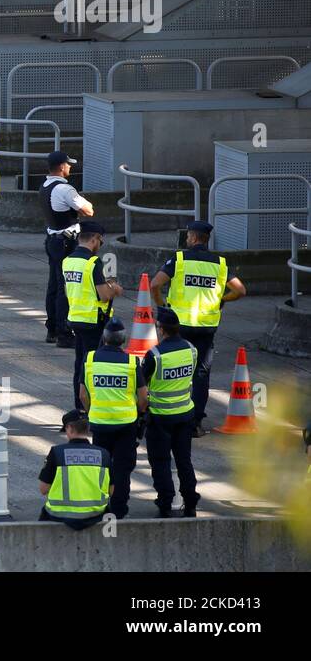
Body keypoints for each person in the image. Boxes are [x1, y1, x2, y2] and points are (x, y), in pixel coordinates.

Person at [150, 220, 246, 437]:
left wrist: (162, 305)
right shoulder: (220, 264)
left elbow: (155, 284)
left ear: (193, 238)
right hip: (205, 327)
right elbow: (241, 290)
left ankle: (167, 414)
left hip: (178, 326)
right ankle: (195, 423)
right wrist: (223, 299)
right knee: (201, 374)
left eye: (188, 236)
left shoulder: (180, 259)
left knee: (170, 367)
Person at [80, 319, 147, 520]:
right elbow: (143, 397)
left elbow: (83, 394)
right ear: (123, 341)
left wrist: (92, 411)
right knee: (122, 468)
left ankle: (100, 505)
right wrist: (138, 413)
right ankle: (119, 508)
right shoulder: (132, 362)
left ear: (104, 338)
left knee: (101, 466)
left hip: (100, 424)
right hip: (126, 425)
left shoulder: (90, 359)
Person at [141, 307, 200, 518]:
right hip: (185, 415)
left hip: (160, 418)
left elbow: (141, 383)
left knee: (161, 461)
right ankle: (190, 501)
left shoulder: (154, 355)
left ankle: (166, 501)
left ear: (162, 329)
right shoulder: (191, 350)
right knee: (184, 460)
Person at [62, 222, 124, 406]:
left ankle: (79, 406)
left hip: (75, 318)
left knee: (80, 364)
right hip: (93, 321)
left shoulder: (68, 261)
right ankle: (90, 404)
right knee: (92, 365)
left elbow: (69, 290)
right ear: (94, 239)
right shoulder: (93, 262)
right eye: (100, 241)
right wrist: (115, 289)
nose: (100, 245)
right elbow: (104, 296)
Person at [41, 150, 95, 346]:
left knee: (53, 286)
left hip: (52, 240)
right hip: (66, 242)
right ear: (62, 167)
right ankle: (64, 333)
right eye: (68, 164)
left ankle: (52, 329)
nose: (70, 167)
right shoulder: (65, 190)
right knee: (65, 287)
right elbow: (89, 210)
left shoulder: (45, 186)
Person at [38, 409, 111, 529]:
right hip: (96, 515)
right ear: (87, 428)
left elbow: (43, 489)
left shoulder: (57, 452)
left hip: (60, 514)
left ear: (70, 428)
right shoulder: (103, 454)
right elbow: (111, 490)